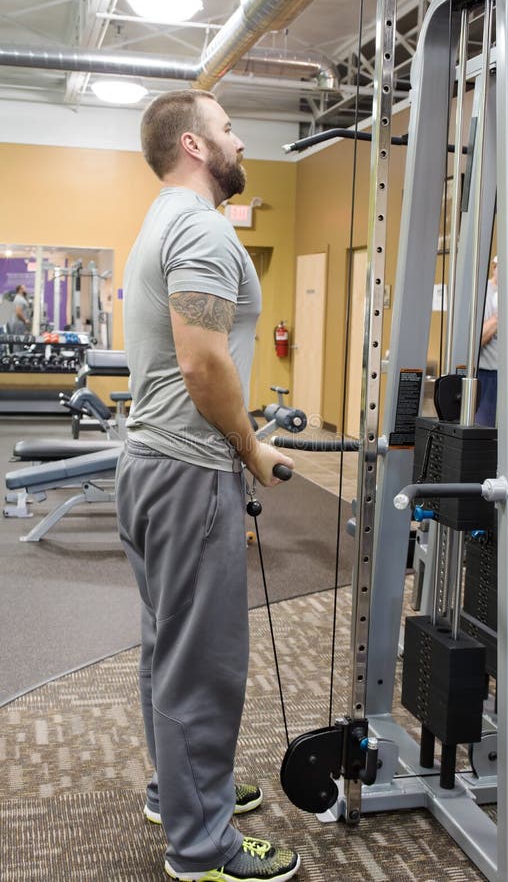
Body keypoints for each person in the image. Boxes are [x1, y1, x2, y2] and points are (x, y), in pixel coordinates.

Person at [115, 89, 299, 882]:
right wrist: (252, 450)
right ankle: (202, 849)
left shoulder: (161, 218)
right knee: (204, 664)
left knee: (169, 650)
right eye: (227, 128)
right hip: (189, 471)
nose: (240, 139)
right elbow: (202, 362)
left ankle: (182, 791)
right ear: (194, 145)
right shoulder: (197, 228)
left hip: (154, 465)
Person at [475, 254, 498, 426]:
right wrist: (498, 318)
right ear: (493, 267)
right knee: (483, 429)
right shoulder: (484, 293)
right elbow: (478, 339)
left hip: (507, 375)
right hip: (486, 376)